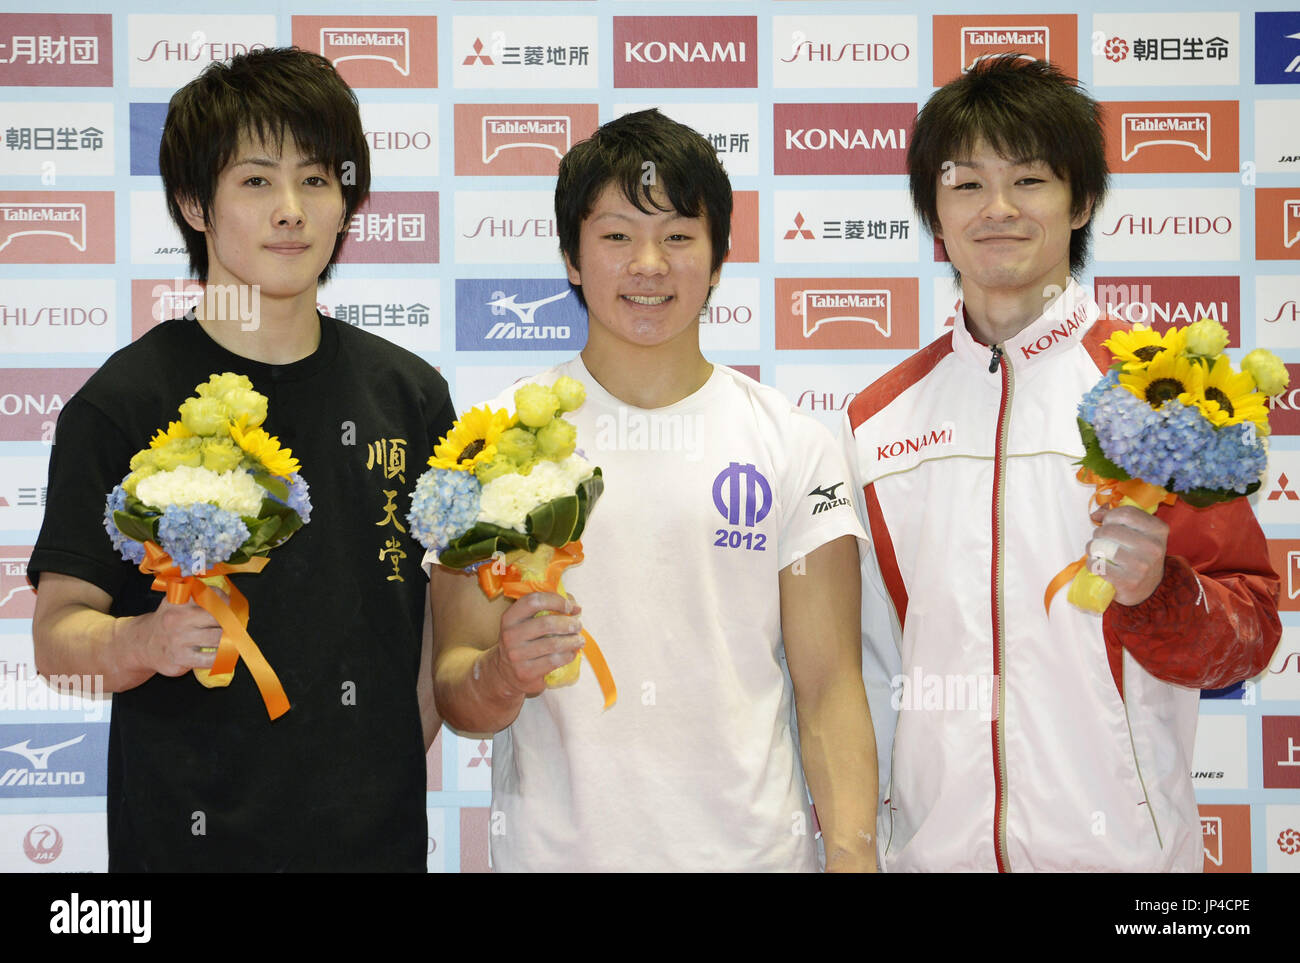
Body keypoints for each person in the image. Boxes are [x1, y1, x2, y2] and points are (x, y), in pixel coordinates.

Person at [844, 55, 1281, 872]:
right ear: (933, 211)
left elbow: (1249, 635)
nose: (998, 209)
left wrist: (1162, 595)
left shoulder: (1159, 391)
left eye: (1031, 180)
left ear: (1081, 201)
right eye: (966, 183)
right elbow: (866, 664)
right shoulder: (876, 419)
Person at [28, 48, 455, 871]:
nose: (290, 210)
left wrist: (381, 763)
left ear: (346, 199)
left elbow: (439, 625)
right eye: (256, 181)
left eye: (317, 180)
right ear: (195, 203)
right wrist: (145, 641)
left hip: (379, 847)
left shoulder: (409, 394)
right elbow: (57, 635)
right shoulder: (124, 400)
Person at [430, 109, 878, 872]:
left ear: (718, 255)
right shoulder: (494, 445)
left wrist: (853, 857)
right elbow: (456, 692)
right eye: (615, 236)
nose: (649, 263)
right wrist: (502, 672)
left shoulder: (793, 441)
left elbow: (831, 683)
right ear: (573, 256)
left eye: (677, 235)